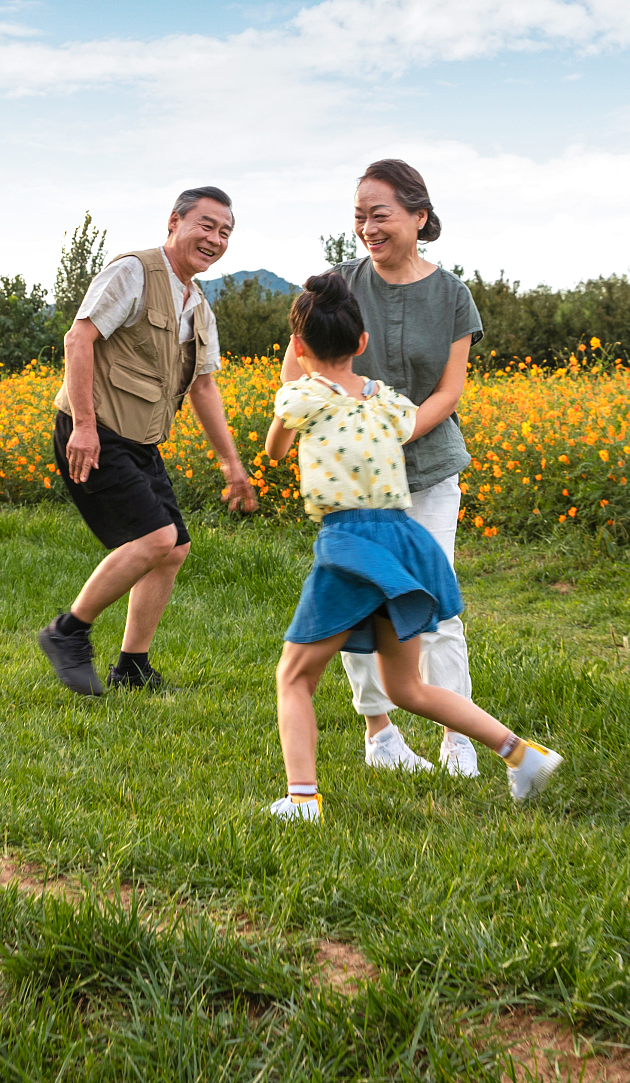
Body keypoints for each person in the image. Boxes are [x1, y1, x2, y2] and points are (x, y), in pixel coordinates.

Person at [262, 274, 559, 821]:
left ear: (298, 348)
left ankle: (302, 798)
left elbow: (274, 449)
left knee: (295, 677)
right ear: (362, 343)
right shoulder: (387, 402)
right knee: (408, 686)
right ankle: (521, 754)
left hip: (351, 542)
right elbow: (395, 431)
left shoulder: (302, 396)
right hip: (402, 540)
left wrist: (296, 388)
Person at [284, 159, 486, 776]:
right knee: (357, 607)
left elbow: (449, 392)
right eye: (358, 217)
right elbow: (298, 366)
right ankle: (382, 736)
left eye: (381, 215)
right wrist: (337, 424)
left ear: (418, 217)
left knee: (437, 605)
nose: (367, 228)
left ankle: (459, 740)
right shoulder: (337, 284)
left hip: (426, 470)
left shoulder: (453, 295)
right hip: (354, 487)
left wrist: (390, 433)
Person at [39, 187, 260, 694]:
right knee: (154, 539)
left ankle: (132, 667)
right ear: (174, 222)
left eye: (225, 232)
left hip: (140, 441)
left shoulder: (199, 306)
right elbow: (79, 339)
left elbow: (203, 386)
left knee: (175, 547)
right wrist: (85, 427)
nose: (216, 238)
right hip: (95, 430)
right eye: (206, 225)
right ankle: (67, 633)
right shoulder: (134, 271)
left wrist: (231, 464)